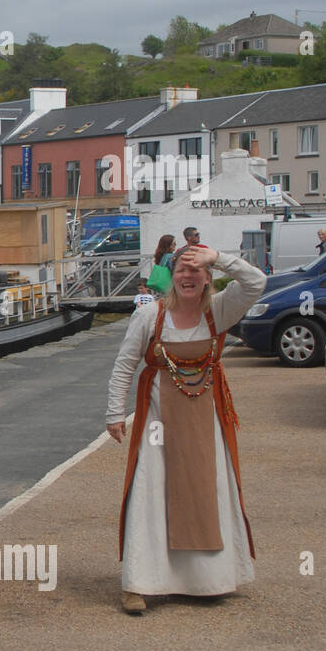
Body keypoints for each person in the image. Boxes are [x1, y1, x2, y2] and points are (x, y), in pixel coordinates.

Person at [106, 245, 266, 614]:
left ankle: (208, 579)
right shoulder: (150, 315)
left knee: (206, 490)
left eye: (197, 271)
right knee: (151, 494)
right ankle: (139, 583)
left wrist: (219, 257)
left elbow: (257, 282)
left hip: (206, 422)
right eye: (182, 270)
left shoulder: (219, 309)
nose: (188, 277)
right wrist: (115, 413)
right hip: (158, 423)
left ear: (208, 277)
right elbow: (124, 365)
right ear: (171, 276)